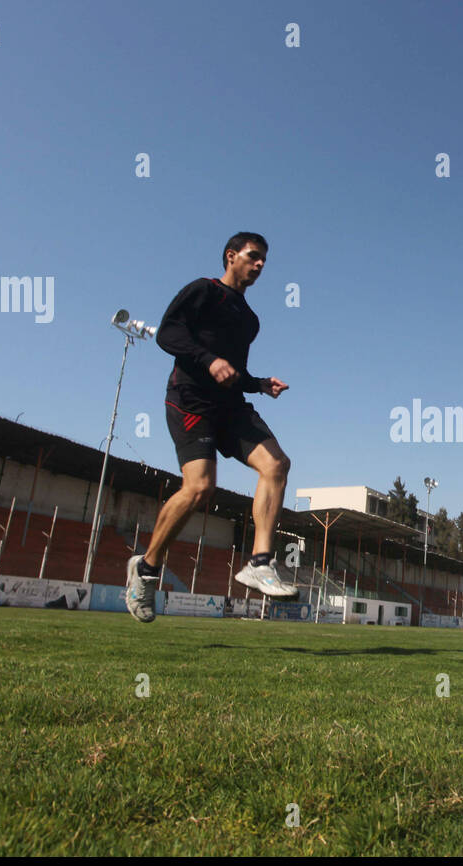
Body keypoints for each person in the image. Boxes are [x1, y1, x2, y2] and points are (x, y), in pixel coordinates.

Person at [125, 232, 297, 623]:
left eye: (264, 261)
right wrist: (207, 359)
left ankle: (259, 562)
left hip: (230, 406)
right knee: (200, 488)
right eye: (254, 256)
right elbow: (168, 333)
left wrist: (258, 384)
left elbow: (233, 373)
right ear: (231, 255)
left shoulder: (250, 320)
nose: (260, 265)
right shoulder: (203, 290)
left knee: (277, 465)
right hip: (191, 401)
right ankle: (147, 569)